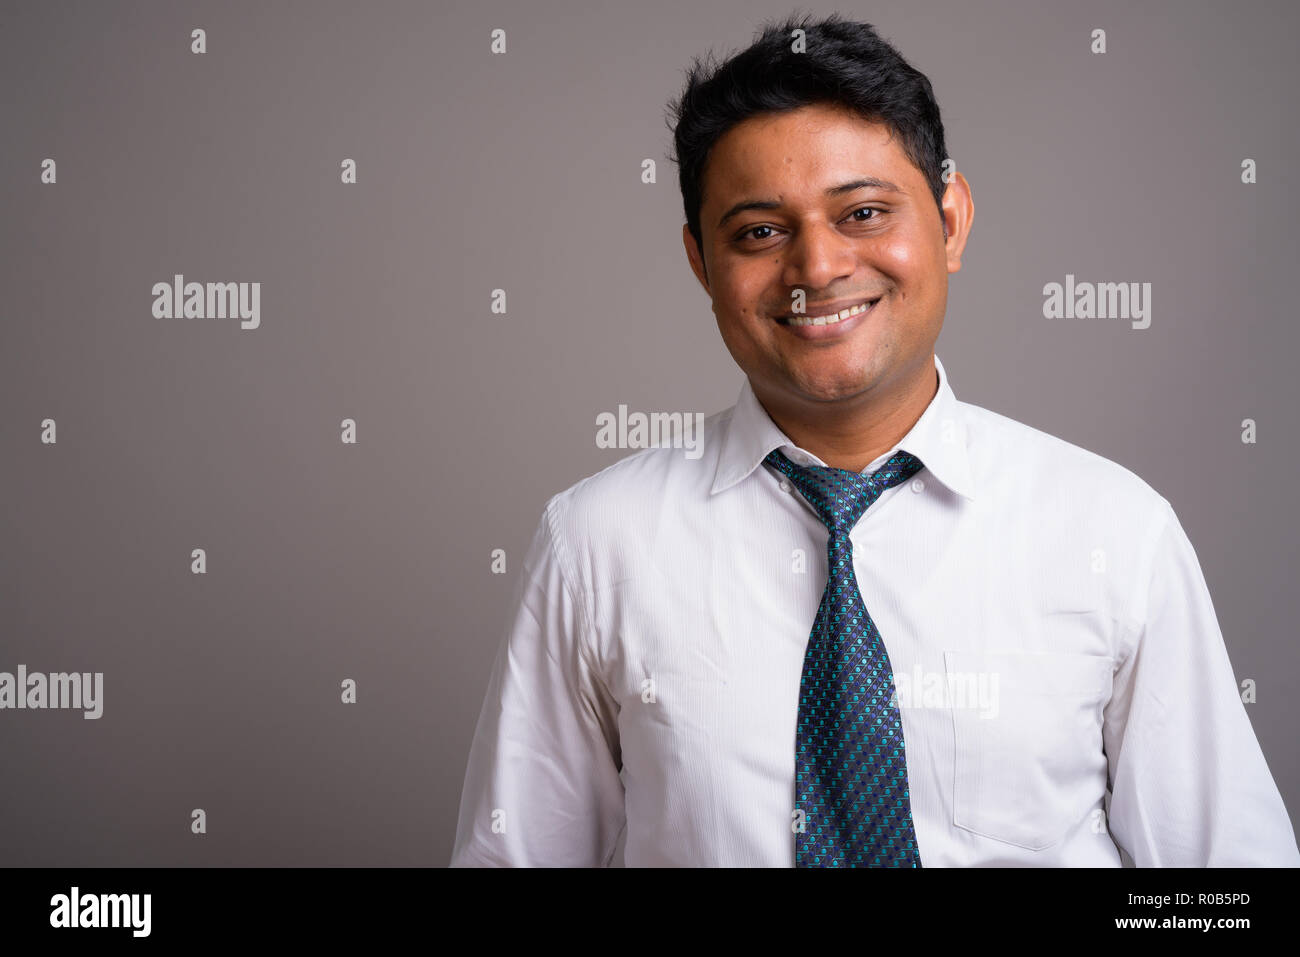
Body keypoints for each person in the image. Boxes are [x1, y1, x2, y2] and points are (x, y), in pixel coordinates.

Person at [449, 12, 1299, 867]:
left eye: (861, 211)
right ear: (702, 263)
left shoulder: (1113, 533)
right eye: (759, 232)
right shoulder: (597, 544)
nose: (817, 267)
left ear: (951, 220)